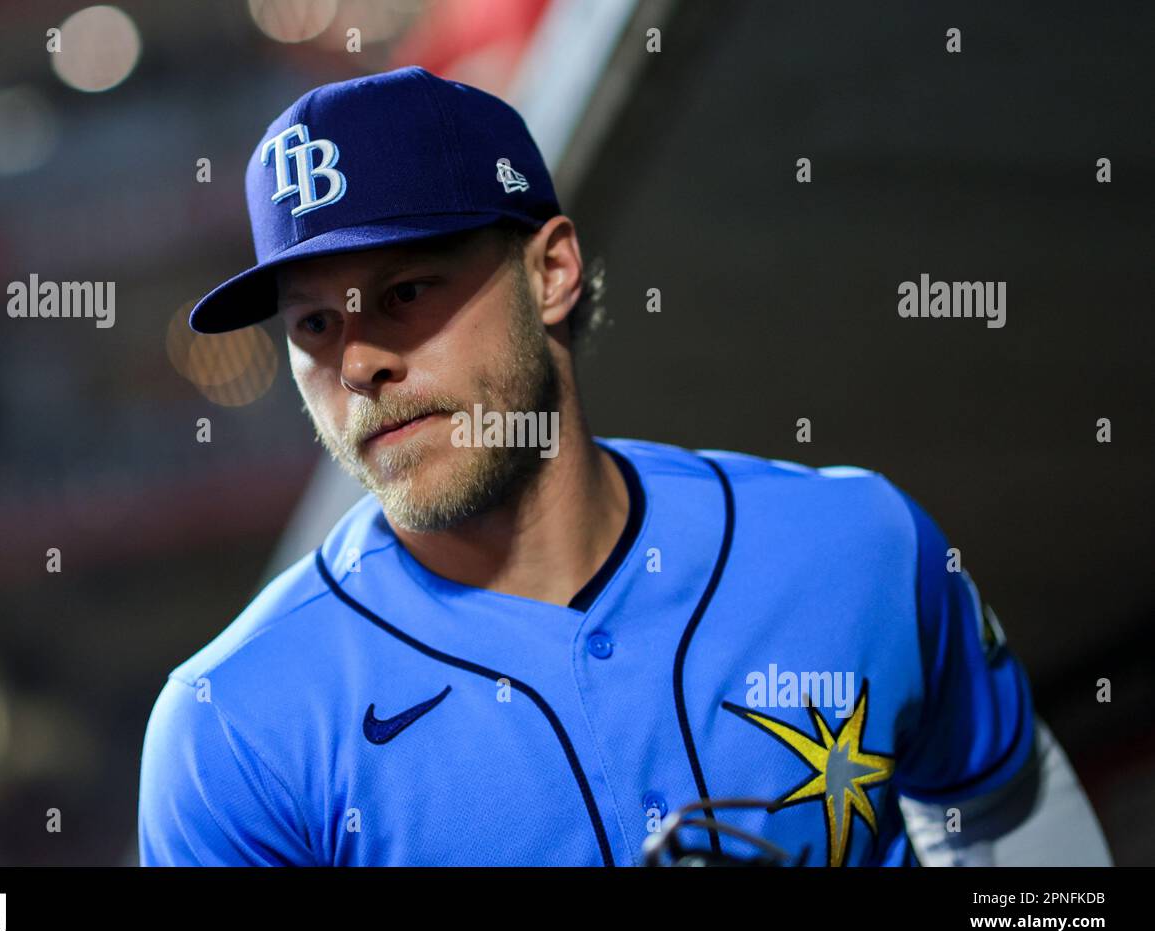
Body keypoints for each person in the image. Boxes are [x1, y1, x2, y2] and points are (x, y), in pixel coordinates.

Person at [138, 65, 1110, 866]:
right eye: (315, 323)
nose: (358, 362)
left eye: (403, 291)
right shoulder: (234, 728)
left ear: (551, 271)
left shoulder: (858, 546)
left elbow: (1003, 815)